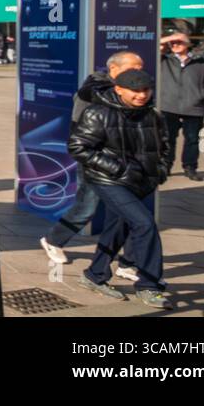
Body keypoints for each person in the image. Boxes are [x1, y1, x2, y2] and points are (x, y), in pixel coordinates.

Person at [68, 68, 172, 309]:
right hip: (107, 179)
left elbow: (165, 146)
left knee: (119, 225)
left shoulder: (153, 114)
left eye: (146, 90)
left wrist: (161, 171)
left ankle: (95, 275)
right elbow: (78, 147)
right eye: (135, 91)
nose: (142, 95)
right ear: (118, 89)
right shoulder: (97, 112)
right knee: (144, 224)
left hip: (141, 182)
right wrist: (117, 169)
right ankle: (150, 285)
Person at [41, 51, 144, 266]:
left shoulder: (133, 90)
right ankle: (54, 239)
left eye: (140, 68)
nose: (138, 73)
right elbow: (81, 129)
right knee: (87, 206)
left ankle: (129, 263)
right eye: (133, 68)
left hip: (123, 159)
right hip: (96, 158)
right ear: (114, 69)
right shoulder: (93, 89)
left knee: (128, 212)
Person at [158, 32, 204, 182]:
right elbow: (153, 45)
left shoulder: (202, 60)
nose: (175, 44)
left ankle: (190, 167)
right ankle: (166, 166)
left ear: (188, 43)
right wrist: (170, 38)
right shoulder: (164, 59)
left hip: (194, 107)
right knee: (168, 139)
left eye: (179, 42)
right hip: (168, 106)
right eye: (173, 42)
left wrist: (201, 96)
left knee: (192, 139)